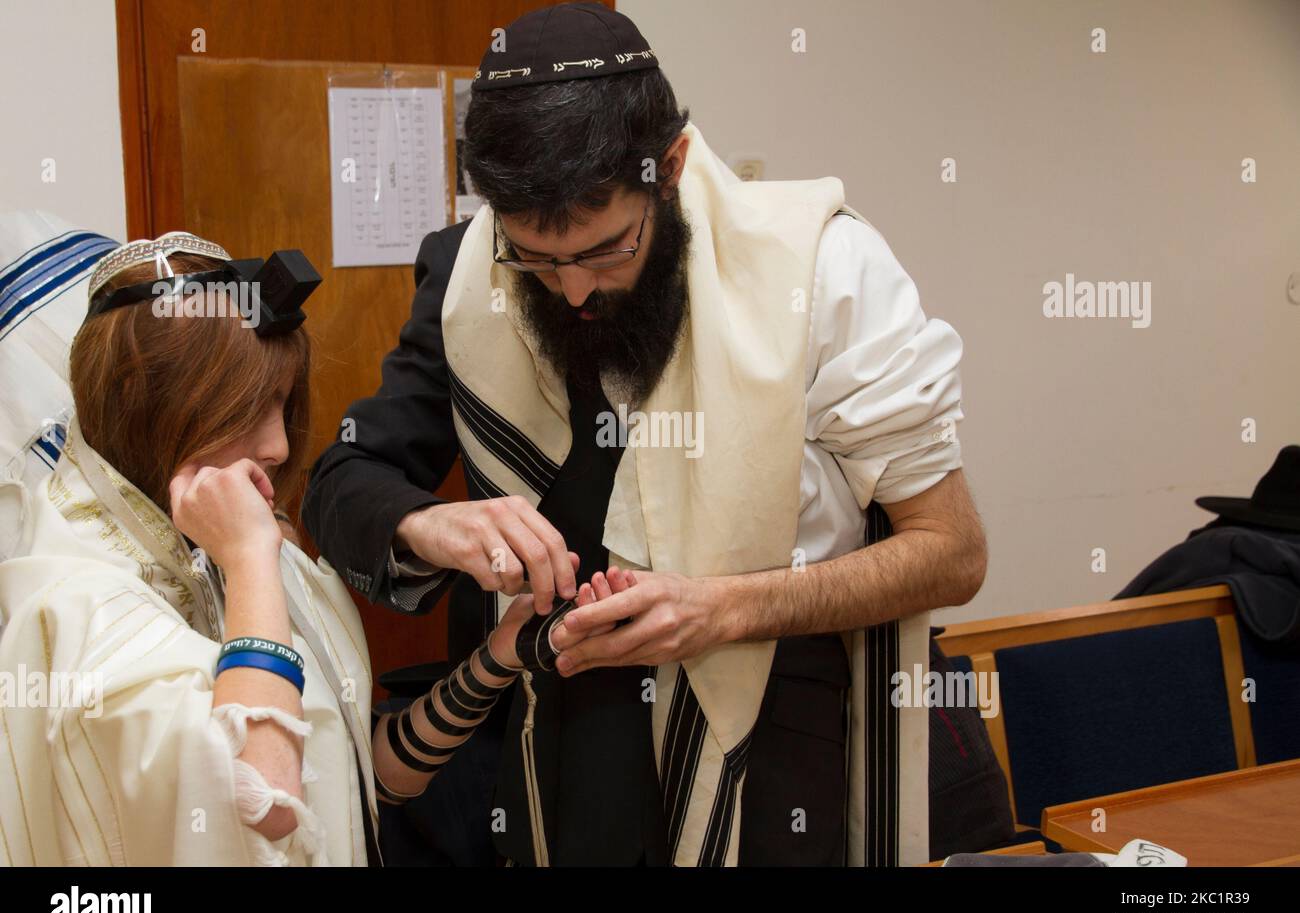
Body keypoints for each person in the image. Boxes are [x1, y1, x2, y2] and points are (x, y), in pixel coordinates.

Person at [305, 3, 987, 867]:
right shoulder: (467, 277)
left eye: (607, 251)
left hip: (779, 727)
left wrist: (725, 606)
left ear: (669, 168)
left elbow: (953, 551)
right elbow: (340, 480)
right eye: (539, 262)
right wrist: (427, 524)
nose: (576, 293)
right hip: (560, 747)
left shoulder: (817, 272)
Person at [0, 231, 594, 866]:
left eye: (281, 406)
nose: (281, 446)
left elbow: (365, 776)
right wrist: (254, 558)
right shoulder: (82, 609)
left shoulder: (231, 552)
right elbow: (264, 808)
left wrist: (498, 658)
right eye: (246, 409)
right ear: (151, 412)